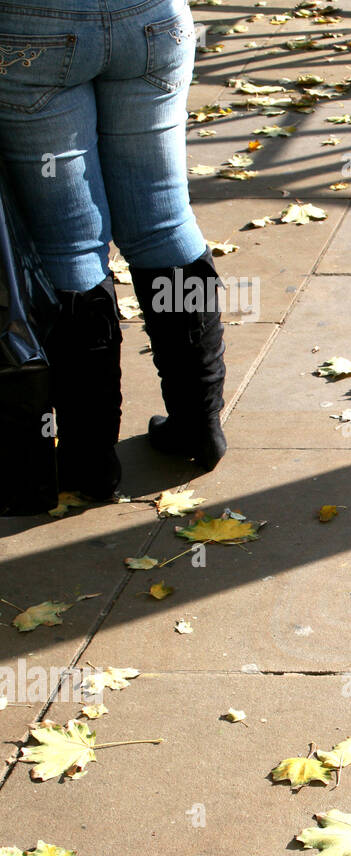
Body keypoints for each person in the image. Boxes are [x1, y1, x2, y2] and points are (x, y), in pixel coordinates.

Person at [0, 0, 227, 501]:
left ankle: (90, 460)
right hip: (150, 18)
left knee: (71, 245)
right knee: (164, 222)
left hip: (29, 30)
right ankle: (199, 424)